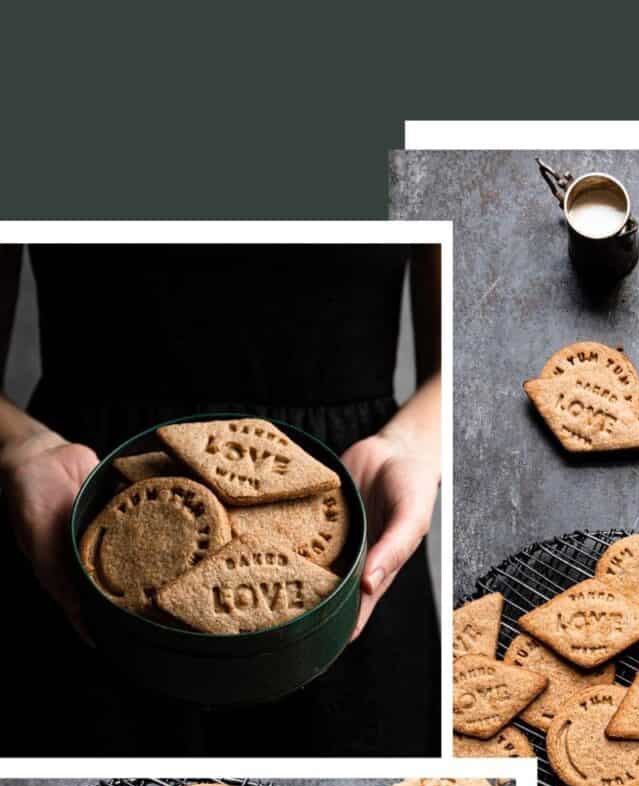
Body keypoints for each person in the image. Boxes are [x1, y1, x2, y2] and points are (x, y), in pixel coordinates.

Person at [0, 243, 441, 752]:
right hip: (75, 499)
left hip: (358, 498)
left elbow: (460, 362)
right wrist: (20, 448)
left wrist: (411, 444)